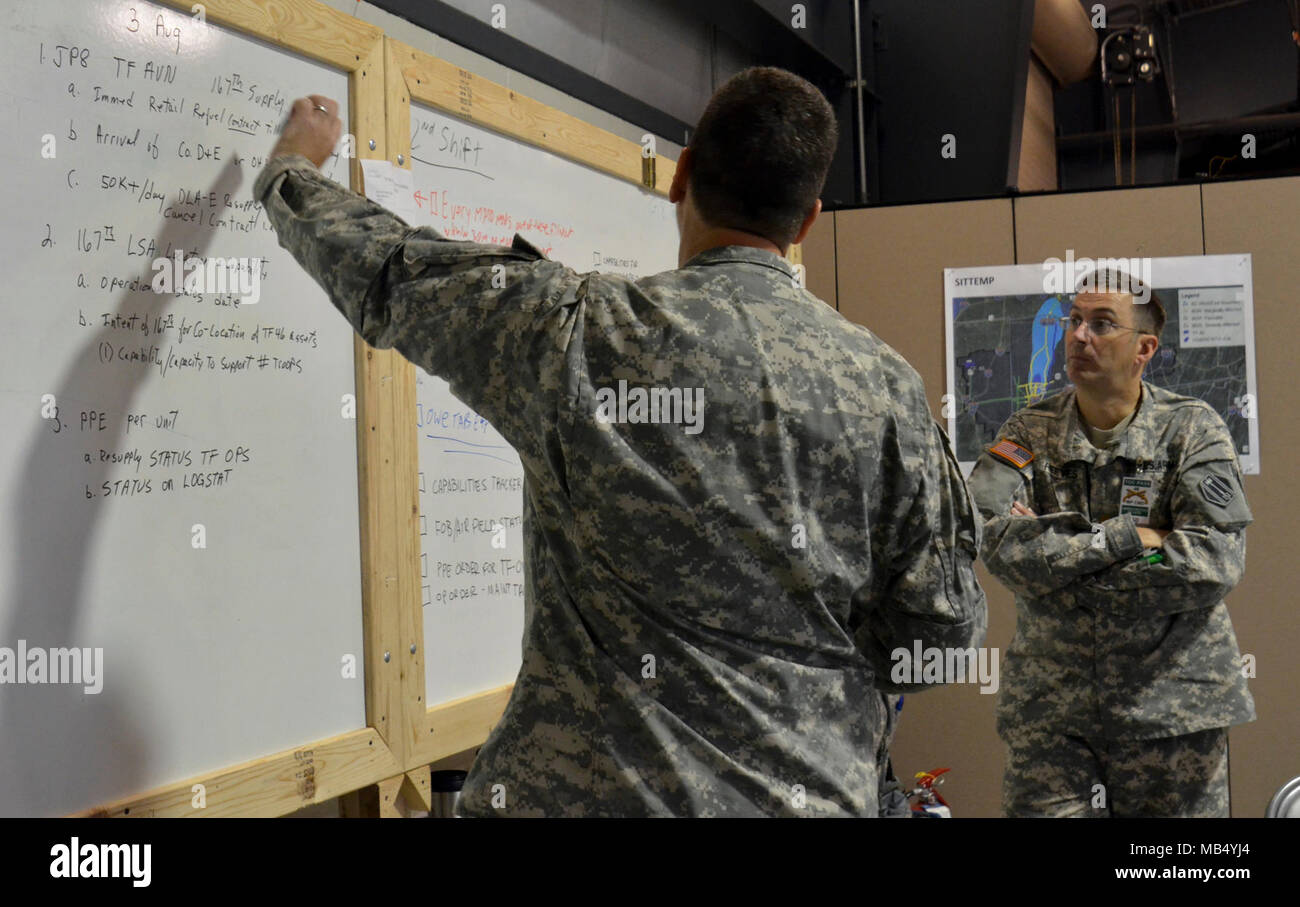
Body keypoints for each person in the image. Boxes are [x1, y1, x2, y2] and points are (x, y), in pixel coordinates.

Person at [254, 67, 986, 816]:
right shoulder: (888, 389)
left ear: (683, 176)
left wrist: (292, 170)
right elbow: (942, 631)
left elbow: (387, 272)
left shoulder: (576, 331)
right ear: (807, 223)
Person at [967, 268, 1254, 817]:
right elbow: (996, 543)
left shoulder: (1192, 430)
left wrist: (1061, 562)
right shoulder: (1026, 432)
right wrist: (1131, 538)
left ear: (1144, 347)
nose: (1078, 336)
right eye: (1075, 320)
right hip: (1054, 715)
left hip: (1172, 712)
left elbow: (1212, 562)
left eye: (1101, 324)